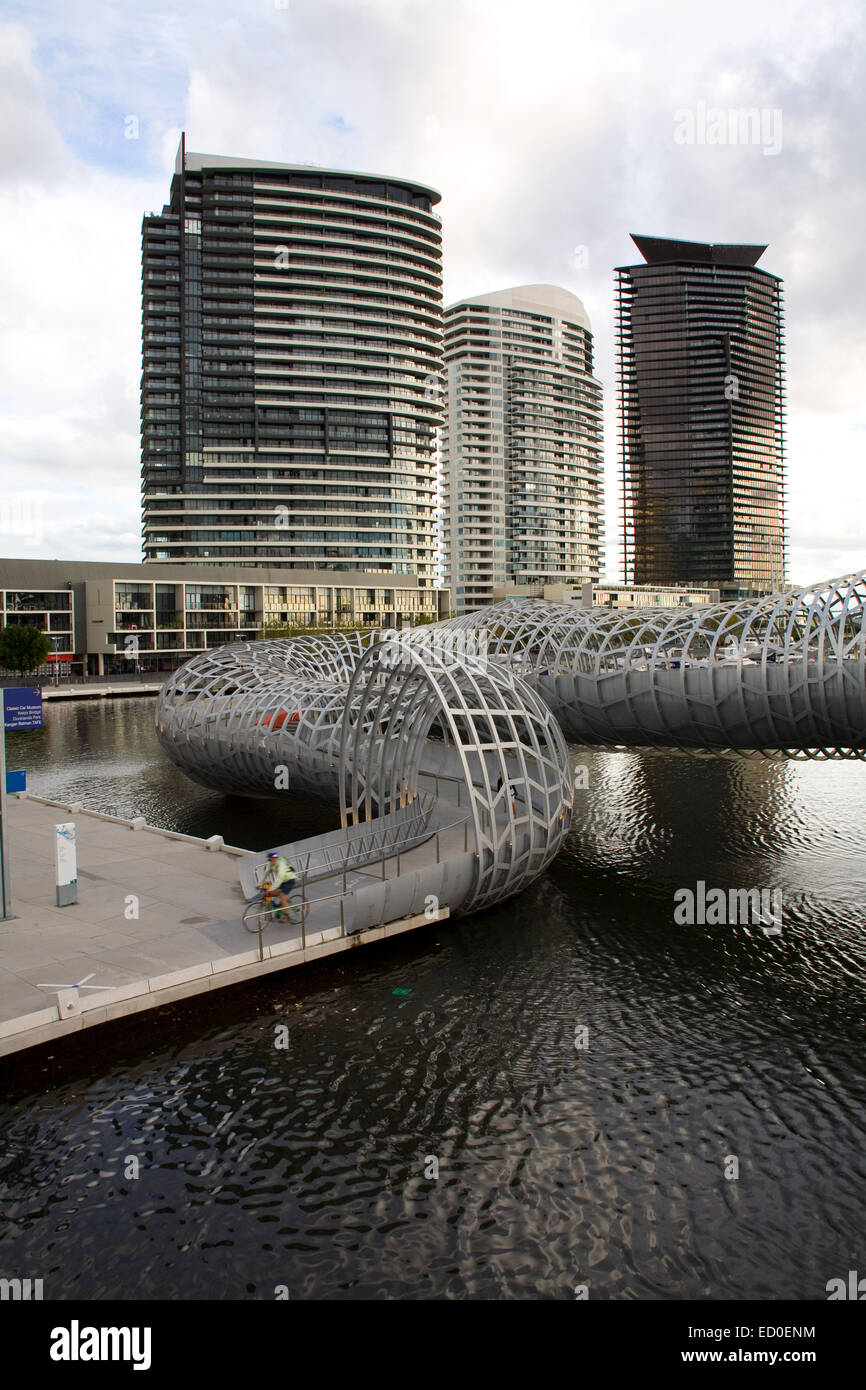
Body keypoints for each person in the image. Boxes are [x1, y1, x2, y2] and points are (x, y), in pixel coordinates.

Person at [261, 850, 297, 914]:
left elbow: (279, 879)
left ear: (275, 859)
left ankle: (286, 916)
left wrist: (270, 889)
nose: (270, 862)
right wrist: (259, 884)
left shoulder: (281, 864)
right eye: (269, 860)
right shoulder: (271, 865)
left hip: (289, 880)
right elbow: (265, 875)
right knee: (271, 893)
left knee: (282, 895)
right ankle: (279, 906)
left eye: (271, 860)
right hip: (283, 881)